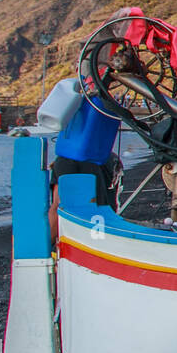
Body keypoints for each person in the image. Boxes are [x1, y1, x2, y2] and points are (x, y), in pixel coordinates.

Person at [48, 94, 123, 243]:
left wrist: (47, 244)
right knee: (99, 202)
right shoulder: (108, 158)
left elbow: (57, 205)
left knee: (59, 203)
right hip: (101, 229)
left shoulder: (66, 159)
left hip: (86, 234)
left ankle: (48, 242)